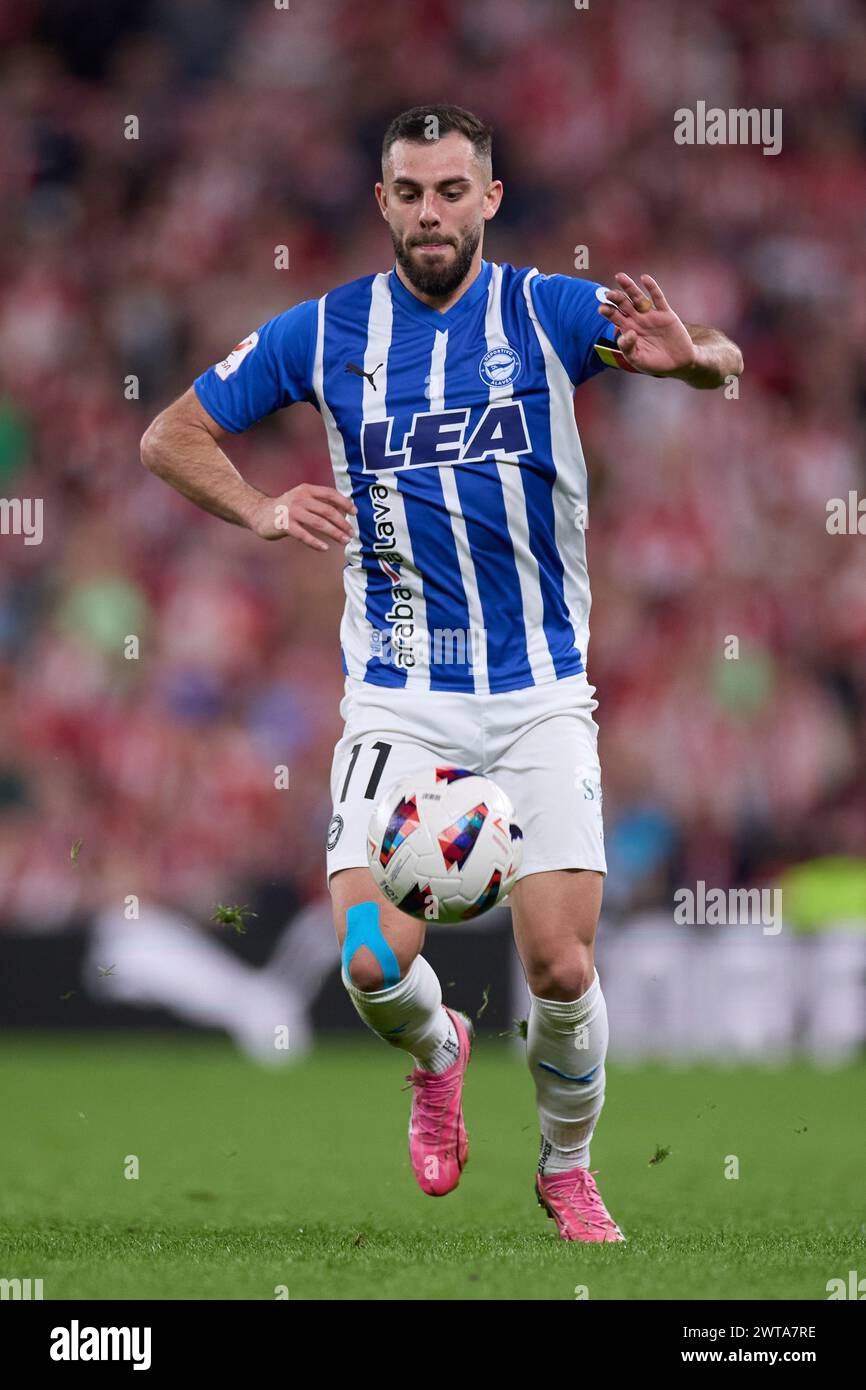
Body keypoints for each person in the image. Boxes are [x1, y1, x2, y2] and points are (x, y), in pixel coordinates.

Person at [141, 103, 743, 1242]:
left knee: (560, 967)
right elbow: (167, 435)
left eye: (450, 191)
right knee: (370, 959)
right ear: (382, 204)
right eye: (409, 193)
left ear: (489, 199)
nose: (430, 212)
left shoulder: (547, 310)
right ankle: (438, 1047)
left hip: (540, 694)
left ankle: (564, 1168)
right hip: (400, 696)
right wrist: (264, 509)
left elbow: (722, 349)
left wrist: (697, 365)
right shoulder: (322, 333)